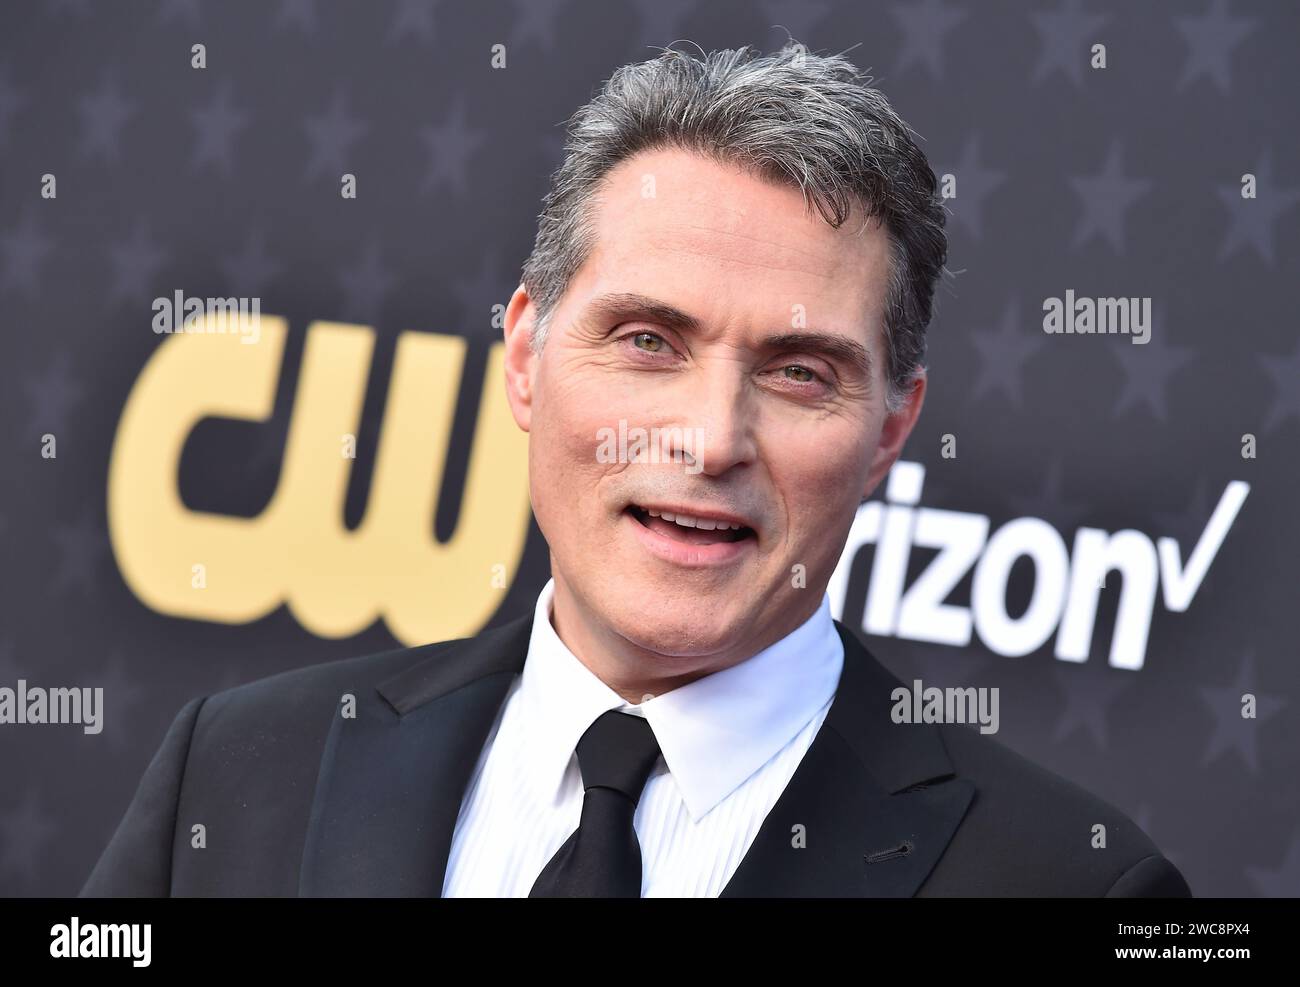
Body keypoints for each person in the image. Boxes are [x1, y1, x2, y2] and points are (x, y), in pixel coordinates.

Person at [81, 42, 1190, 898]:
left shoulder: (1074, 886)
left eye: (801, 372)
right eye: (648, 341)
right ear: (525, 359)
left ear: (892, 429)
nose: (711, 439)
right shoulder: (232, 773)